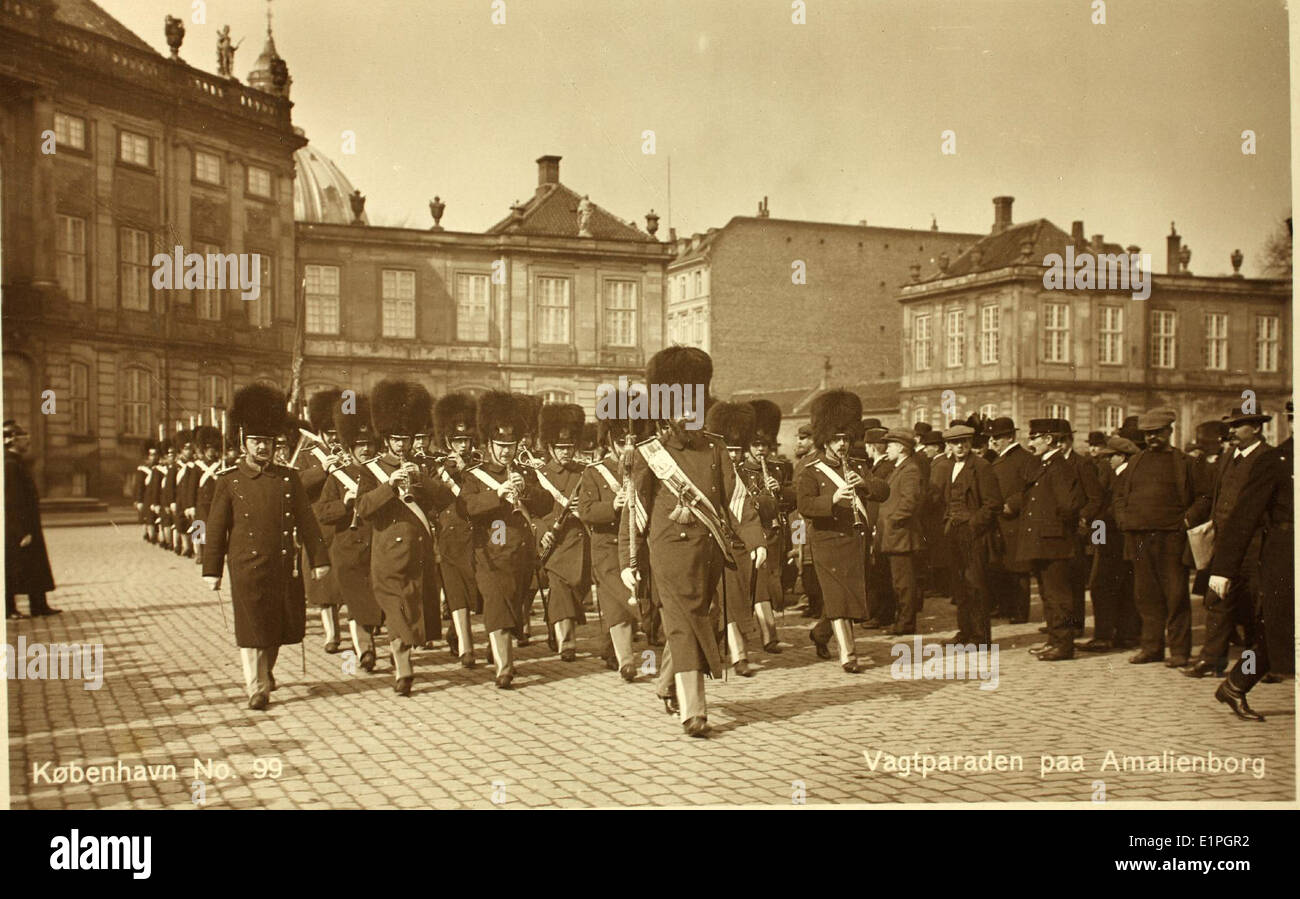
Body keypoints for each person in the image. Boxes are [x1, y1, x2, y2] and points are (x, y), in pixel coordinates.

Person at [619, 347, 767, 736]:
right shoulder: (650, 454)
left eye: (696, 403)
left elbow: (736, 498)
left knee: (698, 620)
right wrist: (628, 562)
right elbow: (633, 513)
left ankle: (667, 683)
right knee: (684, 625)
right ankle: (695, 712)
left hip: (709, 553)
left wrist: (755, 538)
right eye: (682, 404)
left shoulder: (717, 449)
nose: (690, 411)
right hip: (667, 555)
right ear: (667, 408)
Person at [202, 385, 330, 710]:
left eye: (268, 442)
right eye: (256, 441)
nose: (263, 447)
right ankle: (256, 687)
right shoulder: (229, 480)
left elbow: (308, 523)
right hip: (246, 566)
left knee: (274, 627)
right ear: (244, 442)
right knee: (252, 627)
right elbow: (217, 529)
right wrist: (211, 569)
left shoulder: (288, 479)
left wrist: (319, 559)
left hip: (283, 566)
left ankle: (266, 671)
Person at [355, 380, 453, 696]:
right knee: (395, 608)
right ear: (387, 440)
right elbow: (364, 507)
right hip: (386, 551)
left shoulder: (422, 466)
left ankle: (403, 657)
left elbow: (443, 500)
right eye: (396, 439)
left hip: (419, 548)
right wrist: (389, 487)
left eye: (406, 439)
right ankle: (403, 669)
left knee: (411, 607)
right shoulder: (371, 470)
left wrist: (420, 479)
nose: (401, 445)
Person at [460, 391, 551, 689]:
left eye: (510, 446)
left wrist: (525, 490)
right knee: (496, 605)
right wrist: (495, 495)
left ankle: (497, 646)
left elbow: (545, 504)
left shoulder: (524, 472)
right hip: (488, 554)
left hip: (519, 554)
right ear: (489, 444)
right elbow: (465, 507)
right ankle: (505, 667)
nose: (506, 452)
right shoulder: (476, 475)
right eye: (500, 446)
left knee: (511, 607)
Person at [1209, 401, 1293, 721]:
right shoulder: (1277, 460)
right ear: (1291, 421)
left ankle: (1235, 685)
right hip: (1284, 556)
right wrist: (1223, 568)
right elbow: (1244, 517)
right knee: (1275, 632)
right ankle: (1236, 684)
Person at [797, 390, 889, 671]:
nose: (842, 444)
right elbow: (804, 505)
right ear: (826, 439)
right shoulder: (809, 469)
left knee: (846, 595)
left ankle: (821, 633)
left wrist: (863, 484)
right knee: (839, 596)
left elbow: (883, 491)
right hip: (826, 540)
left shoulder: (859, 465)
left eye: (846, 438)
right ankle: (849, 655)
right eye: (837, 439)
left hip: (853, 539)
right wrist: (832, 501)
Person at [1113, 409, 1210, 668]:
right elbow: (1120, 496)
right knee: (1145, 595)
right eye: (1148, 434)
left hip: (1172, 538)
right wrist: (1123, 519)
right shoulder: (1135, 462)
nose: (1153, 437)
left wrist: (1187, 520)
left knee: (1176, 595)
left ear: (1169, 432)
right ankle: (1151, 647)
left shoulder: (1186, 462)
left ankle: (1179, 651)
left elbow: (1204, 497)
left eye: (1158, 432)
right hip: (1139, 537)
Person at [1185, 404, 1273, 677]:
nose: (1231, 430)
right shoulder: (1228, 457)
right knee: (1217, 600)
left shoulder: (1269, 458)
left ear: (1256, 428)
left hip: (1256, 545)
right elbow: (1214, 495)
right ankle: (1211, 660)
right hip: (1224, 543)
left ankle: (1262, 665)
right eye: (1231, 425)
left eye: (1238, 425)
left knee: (1256, 606)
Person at [312, 394, 385, 673]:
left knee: (375, 599)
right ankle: (364, 651)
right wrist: (345, 504)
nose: (365, 450)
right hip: (348, 548)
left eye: (369, 445)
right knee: (356, 602)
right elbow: (322, 512)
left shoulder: (382, 473)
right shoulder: (337, 476)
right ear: (351, 448)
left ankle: (371, 641)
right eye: (360, 445)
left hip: (377, 546)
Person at [578, 389, 643, 681]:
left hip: (636, 545)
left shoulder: (642, 470)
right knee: (619, 602)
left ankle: (618, 653)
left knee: (631, 600)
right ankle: (626, 661)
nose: (625, 448)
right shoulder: (594, 472)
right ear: (609, 443)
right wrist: (612, 507)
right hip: (606, 546)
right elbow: (586, 511)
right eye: (619, 443)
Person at [1018, 418, 1086, 661]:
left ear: (1049, 439)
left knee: (1059, 596)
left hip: (1055, 541)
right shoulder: (1044, 463)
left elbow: (1070, 504)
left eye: (1034, 438)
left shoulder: (1060, 466)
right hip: (1043, 540)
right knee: (1048, 594)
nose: (1030, 442)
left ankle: (1064, 645)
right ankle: (1054, 640)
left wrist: (1055, 525)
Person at [706, 401, 764, 677]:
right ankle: (725, 652)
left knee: (736, 600)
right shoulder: (705, 471)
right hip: (710, 543)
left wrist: (756, 541)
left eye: (736, 450)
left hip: (738, 545)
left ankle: (735, 652)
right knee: (716, 602)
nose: (732, 455)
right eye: (727, 450)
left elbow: (746, 509)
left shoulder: (748, 474)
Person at [535, 403, 591, 662]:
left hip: (581, 542)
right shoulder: (539, 475)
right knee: (559, 591)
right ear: (550, 448)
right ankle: (567, 643)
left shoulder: (585, 473)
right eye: (561, 448)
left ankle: (555, 629)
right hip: (556, 544)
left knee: (576, 592)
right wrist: (542, 531)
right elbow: (532, 512)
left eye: (570, 447)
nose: (566, 452)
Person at [939, 423, 1002, 645]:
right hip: (954, 532)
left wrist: (973, 525)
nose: (960, 446)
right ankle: (964, 632)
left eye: (964, 442)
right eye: (955, 443)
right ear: (948, 445)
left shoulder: (982, 466)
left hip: (974, 534)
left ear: (970, 443)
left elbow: (993, 503)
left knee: (976, 585)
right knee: (960, 587)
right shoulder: (948, 467)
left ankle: (980, 636)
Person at [742, 399, 795, 653]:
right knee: (759, 584)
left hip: (774, 532)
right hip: (752, 533)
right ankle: (767, 636)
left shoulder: (779, 468)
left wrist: (780, 491)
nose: (761, 450)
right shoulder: (739, 471)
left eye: (765, 444)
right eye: (756, 445)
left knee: (773, 581)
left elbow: (791, 500)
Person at [1078, 435, 1141, 652]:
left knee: (1101, 586)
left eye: (1110, 456)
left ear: (1121, 457)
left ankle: (1104, 636)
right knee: (1123, 587)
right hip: (1112, 539)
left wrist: (1096, 539)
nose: (1106, 460)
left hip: (1113, 540)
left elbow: (1109, 512)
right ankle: (1126, 635)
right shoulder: (1120, 474)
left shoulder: (1122, 478)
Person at [433, 392, 481, 667]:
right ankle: (466, 645)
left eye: (466, 440)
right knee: (456, 592)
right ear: (448, 442)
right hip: (451, 538)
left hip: (478, 538)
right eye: (458, 441)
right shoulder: (438, 469)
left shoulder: (480, 466)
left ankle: (458, 632)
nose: (463, 446)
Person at [299, 389, 346, 654]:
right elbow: (298, 483)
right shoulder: (307, 452)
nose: (334, 437)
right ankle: (332, 633)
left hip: (346, 519)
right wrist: (323, 469)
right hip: (319, 522)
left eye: (336, 431)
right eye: (329, 432)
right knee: (325, 582)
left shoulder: (347, 449)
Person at [4, 420, 59, 618]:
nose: (27, 440)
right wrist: (21, 530)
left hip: (29, 524)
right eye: (22, 437)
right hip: (18, 526)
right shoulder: (9, 464)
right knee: (13, 566)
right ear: (10, 440)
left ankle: (39, 605)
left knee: (34, 564)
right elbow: (11, 502)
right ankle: (8, 609)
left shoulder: (16, 461)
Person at [986, 417, 1035, 623]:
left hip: (1016, 520)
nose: (994, 441)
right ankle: (1006, 606)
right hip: (1000, 520)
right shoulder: (1000, 458)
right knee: (1002, 564)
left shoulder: (1024, 458)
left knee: (1018, 568)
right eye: (993, 437)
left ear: (1011, 437)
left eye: (999, 437)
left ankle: (1019, 611)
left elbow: (1030, 488)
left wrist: (1013, 504)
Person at [877, 428, 923, 636]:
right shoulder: (900, 468)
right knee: (898, 581)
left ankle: (906, 623)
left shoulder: (910, 470)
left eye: (891, 445)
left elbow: (909, 501)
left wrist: (893, 520)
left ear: (902, 448)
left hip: (901, 535)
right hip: (894, 534)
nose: (887, 448)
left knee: (903, 582)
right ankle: (902, 620)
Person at [133, 441, 159, 543]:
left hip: (155, 495)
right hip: (146, 496)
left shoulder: (157, 467)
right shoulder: (142, 469)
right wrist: (139, 500)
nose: (154, 457)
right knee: (148, 517)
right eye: (152, 455)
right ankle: (149, 534)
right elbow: (139, 486)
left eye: (155, 455)